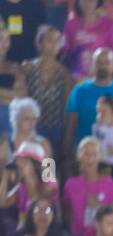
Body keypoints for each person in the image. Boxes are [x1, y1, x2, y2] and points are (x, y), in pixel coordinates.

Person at [22, 25, 74, 157]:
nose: (54, 45)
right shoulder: (29, 69)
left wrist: (67, 136)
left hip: (55, 131)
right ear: (39, 43)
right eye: (49, 40)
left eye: (57, 41)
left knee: (49, 165)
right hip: (32, 127)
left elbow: (68, 107)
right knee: (32, 163)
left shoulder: (64, 74)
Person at [61, 135, 113, 236]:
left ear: (100, 157)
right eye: (86, 154)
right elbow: (67, 213)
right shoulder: (71, 184)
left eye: (94, 154)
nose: (90, 158)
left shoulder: (110, 184)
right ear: (79, 156)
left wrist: (99, 206)